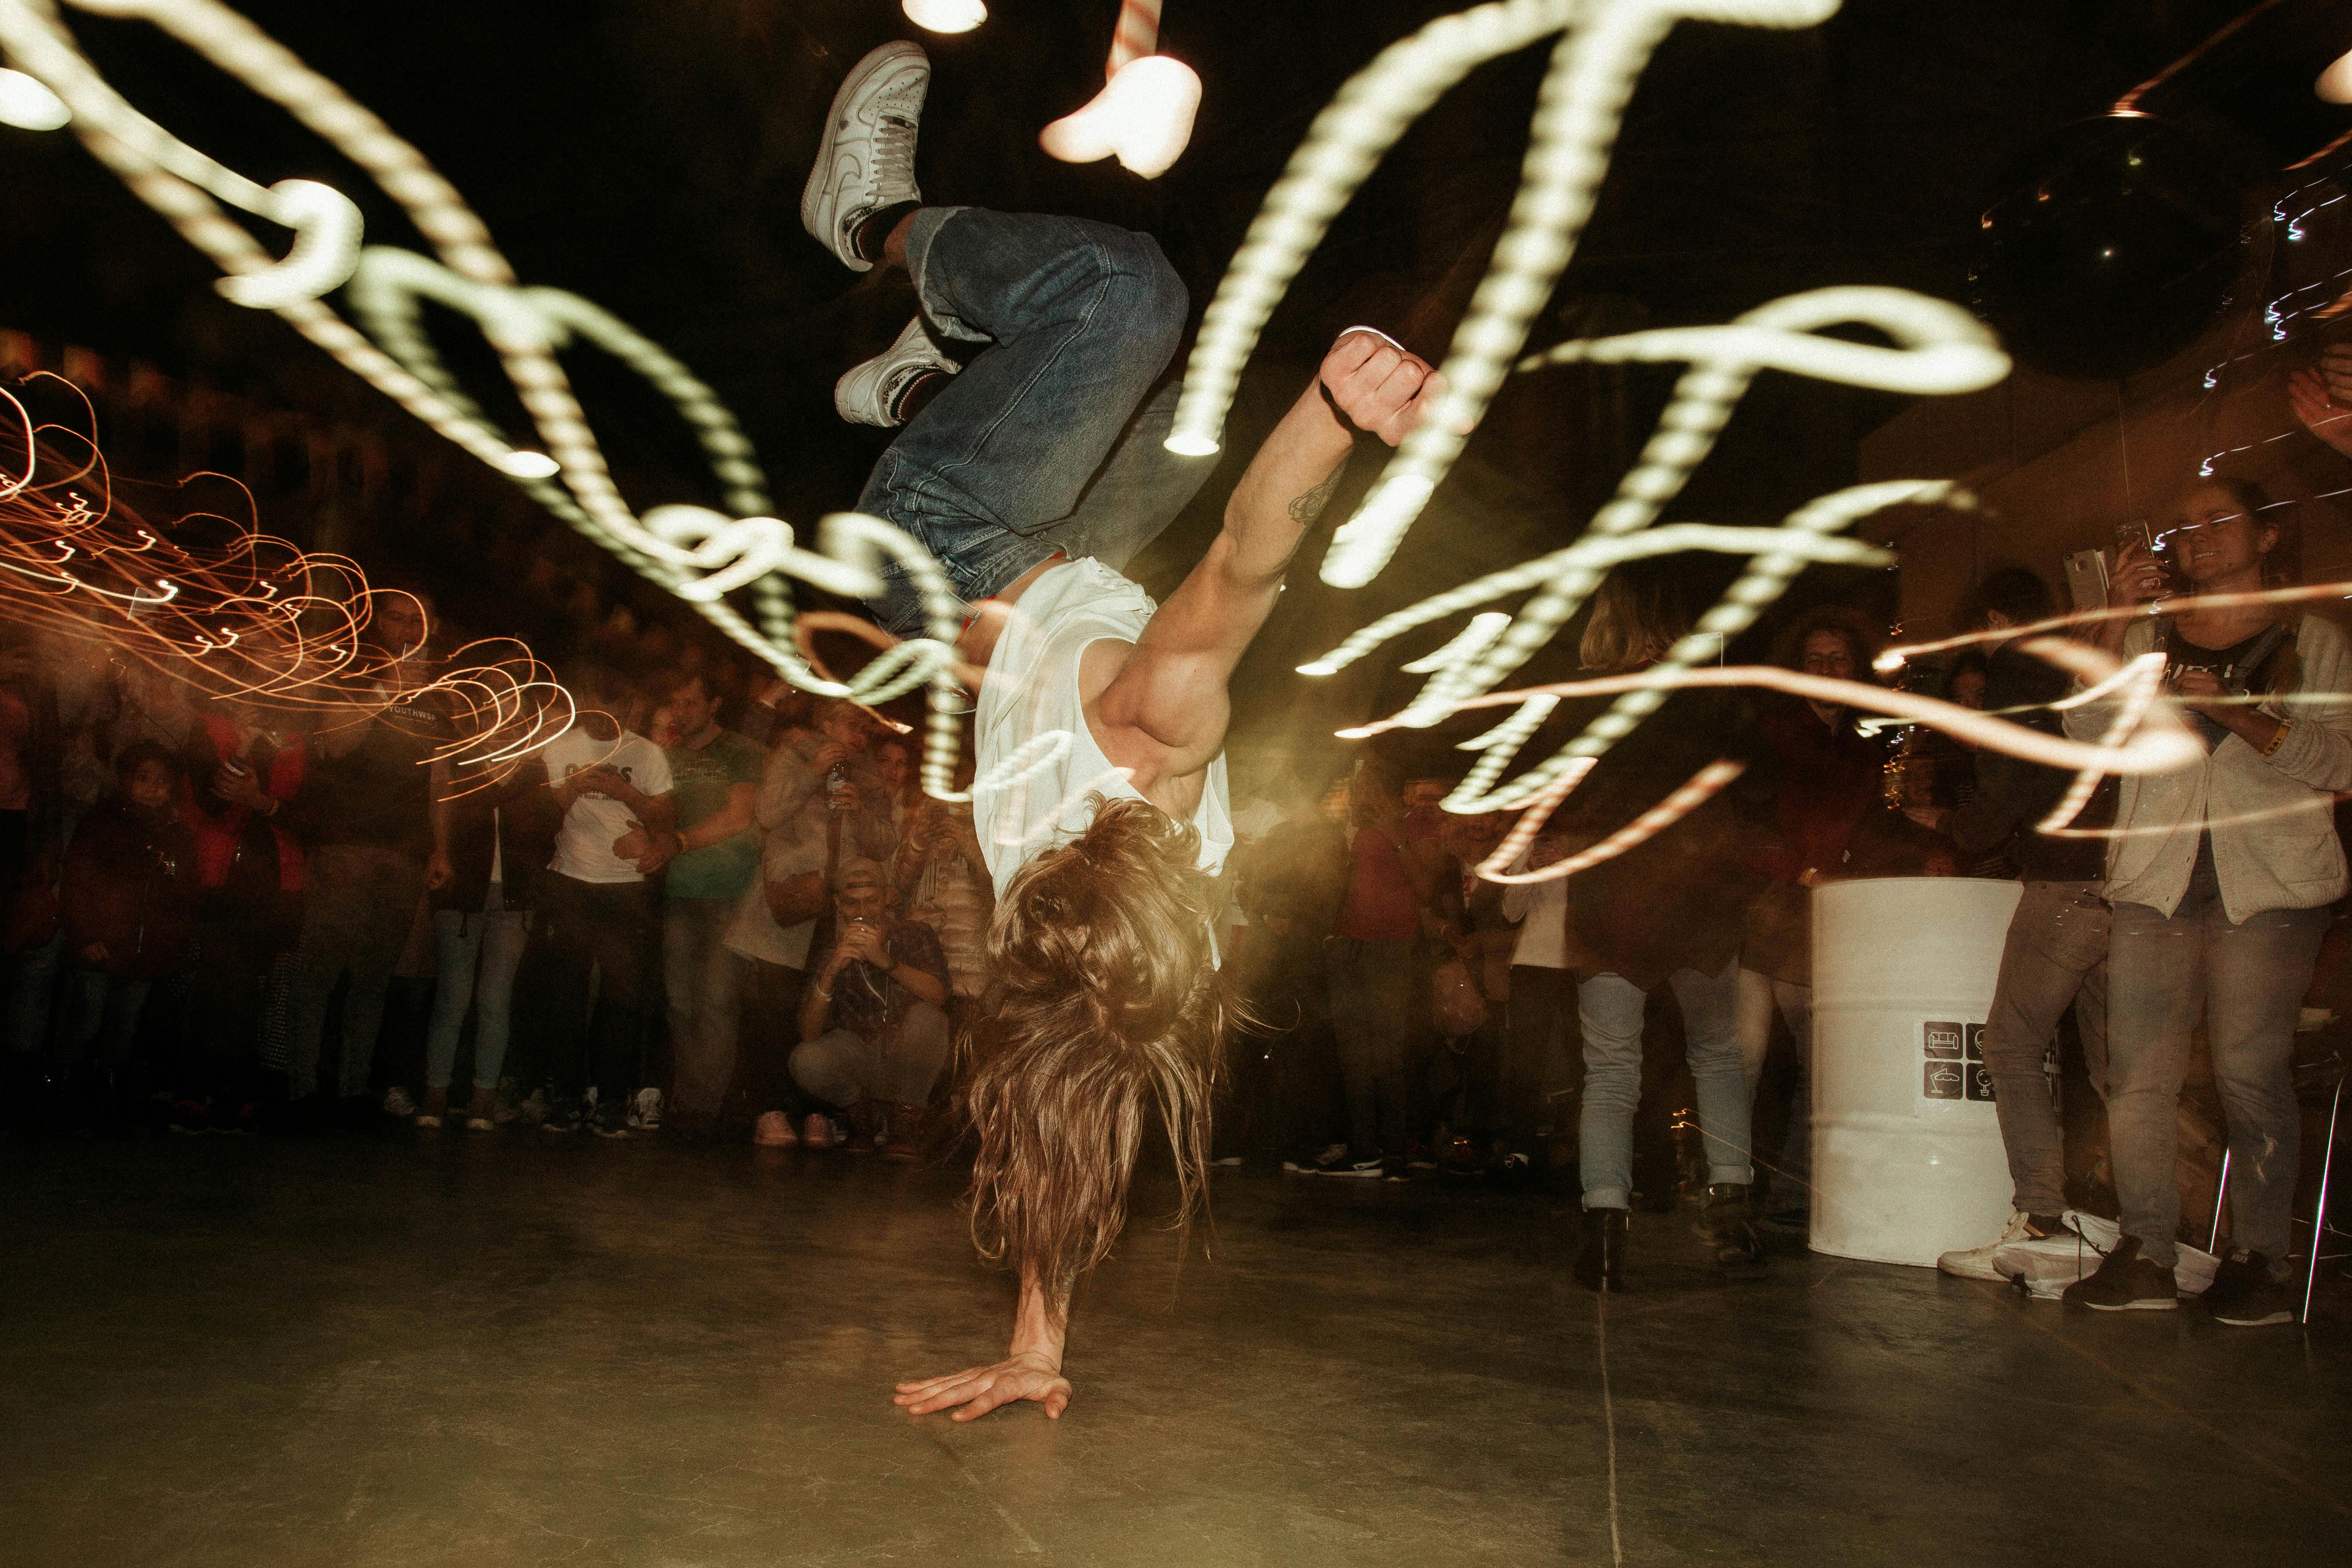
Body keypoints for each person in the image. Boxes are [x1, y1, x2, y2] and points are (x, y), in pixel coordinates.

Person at [798, 42, 1452, 1418]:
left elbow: (1246, 568)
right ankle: (935, 384)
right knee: (1191, 407)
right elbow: (1063, 1116)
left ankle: (872, 228)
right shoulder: (1099, 970)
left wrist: (1338, 417)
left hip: (943, 545)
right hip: (1046, 572)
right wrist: (1039, 1341)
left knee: (1126, 294)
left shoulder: (1157, 724)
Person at [2061, 477, 2352, 1326]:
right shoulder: (2149, 639)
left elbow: (2342, 762)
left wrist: (2243, 716)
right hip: (2157, 882)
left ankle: (2262, 1258)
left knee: (2246, 1071)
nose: (2197, 538)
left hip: (2271, 890)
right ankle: (2147, 1249)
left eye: (2220, 521)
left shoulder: (2315, 640)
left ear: (2267, 538)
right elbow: (2085, 735)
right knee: (2137, 1077)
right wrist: (2112, 616)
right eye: (2183, 528)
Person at [1554, 568, 1775, 1290]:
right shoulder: (1715, 699)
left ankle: (1606, 1235)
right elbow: (1752, 789)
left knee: (1611, 1071)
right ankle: (1733, 1213)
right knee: (1716, 1056)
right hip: (1697, 902)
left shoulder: (1587, 699)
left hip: (1613, 902)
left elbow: (1563, 796)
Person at [1929, 567, 2114, 1280]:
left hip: (2063, 875)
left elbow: (2009, 784)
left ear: (1993, 619)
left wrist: (1958, 827)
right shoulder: (2072, 662)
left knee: (2009, 1042)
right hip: (2121, 874)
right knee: (2109, 1063)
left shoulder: (2016, 664)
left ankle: (2040, 1212)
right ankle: (2111, 1213)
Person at [277, 592, 454, 1120]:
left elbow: (440, 780)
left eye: (417, 619)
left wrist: (441, 848)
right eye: (397, 617)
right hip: (345, 846)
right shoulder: (351, 672)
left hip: (401, 853)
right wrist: (387, 689)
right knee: (321, 972)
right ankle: (301, 1091)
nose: (407, 628)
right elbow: (336, 744)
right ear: (378, 621)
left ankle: (353, 1091)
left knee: (375, 976)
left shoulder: (439, 694)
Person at [1737, 606, 1886, 1227]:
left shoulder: (1860, 743)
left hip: (1818, 918)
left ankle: (1789, 1193)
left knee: (1816, 1059)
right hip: (1764, 914)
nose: (1827, 669)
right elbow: (1747, 826)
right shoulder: (1773, 734)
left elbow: (1867, 828)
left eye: (1838, 659)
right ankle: (1729, 1186)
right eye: (1815, 659)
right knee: (1744, 1059)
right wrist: (1804, 871)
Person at [733, 700, 893, 1148]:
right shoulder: (794, 756)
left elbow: (886, 843)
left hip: (837, 912)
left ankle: (817, 1114)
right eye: (849, 724)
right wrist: (810, 776)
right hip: (790, 904)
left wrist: (861, 812)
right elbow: (765, 814)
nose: (857, 736)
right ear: (824, 725)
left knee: (822, 1013)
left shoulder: (868, 775)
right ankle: (771, 1110)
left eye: (864, 729)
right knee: (773, 1012)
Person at [620, 670, 765, 1137]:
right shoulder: (669, 756)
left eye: (692, 704)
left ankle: (706, 1108)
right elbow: (655, 814)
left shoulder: (741, 751)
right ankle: (689, 1096)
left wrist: (678, 841)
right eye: (677, 704)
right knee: (681, 1002)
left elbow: (741, 818)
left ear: (714, 705)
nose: (683, 712)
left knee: (718, 1001)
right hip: (678, 892)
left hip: (729, 892)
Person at [533, 663, 674, 1138]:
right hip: (571, 881)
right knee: (565, 996)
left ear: (630, 707)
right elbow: (539, 816)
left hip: (626, 889)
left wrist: (622, 790)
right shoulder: (558, 746)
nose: (603, 714)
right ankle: (566, 1098)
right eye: (595, 703)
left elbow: (665, 820)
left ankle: (612, 1100)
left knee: (621, 998)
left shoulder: (647, 752)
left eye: (614, 705)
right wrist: (574, 786)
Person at [416, 730, 560, 1131]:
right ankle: (437, 1091)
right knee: (452, 997)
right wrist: (441, 856)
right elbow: (438, 808)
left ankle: (484, 1094)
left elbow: (549, 827)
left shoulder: (531, 766)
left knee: (496, 1000)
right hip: (462, 891)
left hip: (513, 896)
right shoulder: (456, 755)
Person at [180, 697, 306, 1130]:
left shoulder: (297, 738)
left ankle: (245, 1093)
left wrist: (262, 802)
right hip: (220, 878)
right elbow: (212, 801)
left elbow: (313, 815)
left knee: (260, 991)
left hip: (276, 879)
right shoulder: (209, 728)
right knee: (218, 985)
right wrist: (241, 746)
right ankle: (203, 1092)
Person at [58, 742, 196, 1124]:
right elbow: (76, 883)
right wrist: (85, 937)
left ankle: (108, 1101)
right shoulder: (102, 823)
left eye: (163, 782)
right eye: (144, 779)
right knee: (86, 1022)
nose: (153, 789)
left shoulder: (176, 834)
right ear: (125, 781)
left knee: (124, 1026)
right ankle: (65, 1098)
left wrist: (170, 942)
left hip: (144, 953)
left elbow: (183, 894)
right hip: (100, 948)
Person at [1319, 759, 1444, 1178]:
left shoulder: (1417, 827)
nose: (1359, 792)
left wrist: (1396, 841)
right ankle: (1365, 1150)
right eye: (1357, 786)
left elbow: (1427, 889)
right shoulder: (1351, 825)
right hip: (1349, 946)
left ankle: (1394, 1150)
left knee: (1387, 1053)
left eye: (1367, 784)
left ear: (1391, 790)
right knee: (1353, 1054)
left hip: (1392, 949)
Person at [789, 857, 951, 1157]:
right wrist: (831, 971)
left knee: (928, 1018)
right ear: (838, 904)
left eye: (871, 901)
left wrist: (883, 960)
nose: (862, 913)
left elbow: (939, 996)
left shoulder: (915, 934)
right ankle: (862, 1114)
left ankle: (905, 1120)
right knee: (805, 1059)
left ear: (888, 897)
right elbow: (808, 1034)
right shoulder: (830, 952)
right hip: (863, 1060)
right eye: (852, 903)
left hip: (910, 1063)